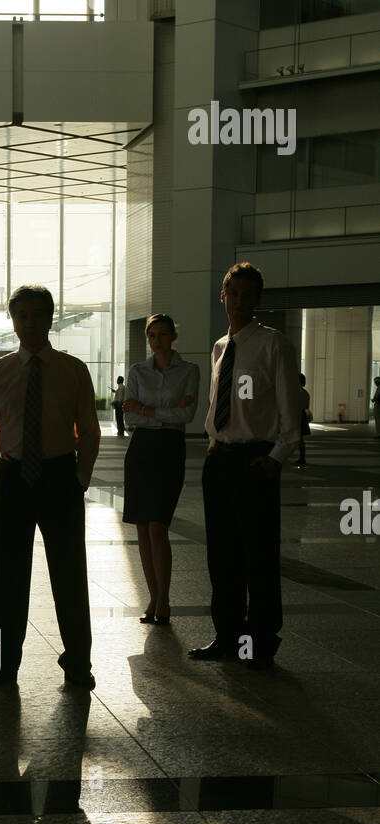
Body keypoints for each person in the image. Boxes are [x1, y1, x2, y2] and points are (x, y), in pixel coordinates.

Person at [0, 284, 100, 689]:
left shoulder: (73, 369)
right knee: (8, 577)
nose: (30, 323)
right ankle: (4, 663)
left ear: (50, 318)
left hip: (60, 477)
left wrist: (81, 477)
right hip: (12, 479)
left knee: (70, 574)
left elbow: (90, 430)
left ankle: (79, 663)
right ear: (13, 321)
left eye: (38, 315)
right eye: (22, 315)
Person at [190, 262, 302, 671]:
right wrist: (212, 444)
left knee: (258, 556)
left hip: (255, 460)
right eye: (232, 293)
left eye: (247, 294)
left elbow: (292, 415)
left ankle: (258, 643)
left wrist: (274, 461)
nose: (238, 302)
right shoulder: (220, 347)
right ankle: (228, 635)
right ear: (223, 296)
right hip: (220, 460)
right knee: (222, 555)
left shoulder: (275, 345)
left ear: (258, 299)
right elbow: (219, 405)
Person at [122, 315, 199, 624]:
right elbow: (130, 419)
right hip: (140, 450)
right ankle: (152, 598)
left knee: (158, 526)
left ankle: (164, 598)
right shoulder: (137, 371)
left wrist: (145, 410)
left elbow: (187, 415)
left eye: (163, 334)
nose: (157, 340)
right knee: (142, 526)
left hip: (169, 449)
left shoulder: (189, 371)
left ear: (173, 336)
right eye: (152, 335)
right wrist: (160, 414)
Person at [294, 373, 311, 468]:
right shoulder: (305, 393)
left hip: (295, 415)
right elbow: (306, 406)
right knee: (301, 439)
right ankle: (302, 457)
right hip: (302, 415)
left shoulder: (293, 392)